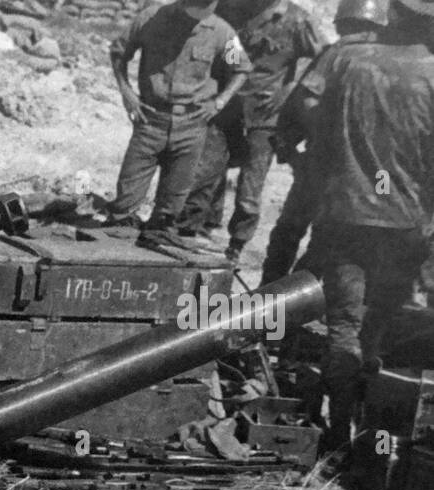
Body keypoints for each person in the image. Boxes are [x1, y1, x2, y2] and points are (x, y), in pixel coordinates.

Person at [307, 0, 434, 454]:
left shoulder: (348, 60)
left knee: (343, 323)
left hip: (345, 214)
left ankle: (338, 433)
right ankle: (374, 437)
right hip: (404, 223)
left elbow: (304, 111)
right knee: (383, 326)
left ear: (393, 15)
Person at [177, 0, 323, 262]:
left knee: (249, 188)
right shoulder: (230, 9)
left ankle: (236, 245)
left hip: (266, 115)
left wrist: (289, 90)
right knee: (205, 170)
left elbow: (323, 58)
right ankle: (192, 228)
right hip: (227, 106)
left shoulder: (298, 20)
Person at [258, 0, 389, 285]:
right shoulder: (389, 61)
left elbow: (304, 100)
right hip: (359, 172)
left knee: (292, 232)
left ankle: (271, 298)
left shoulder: (336, 54)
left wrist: (297, 146)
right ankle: (286, 301)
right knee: (324, 240)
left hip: (323, 164)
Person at [105, 0, 251, 246]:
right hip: (150, 120)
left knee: (169, 209)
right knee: (124, 204)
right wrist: (126, 92)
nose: (202, 17)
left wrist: (219, 102)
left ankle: (153, 259)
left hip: (192, 126)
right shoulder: (151, 18)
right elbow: (118, 52)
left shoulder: (222, 31)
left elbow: (242, 68)